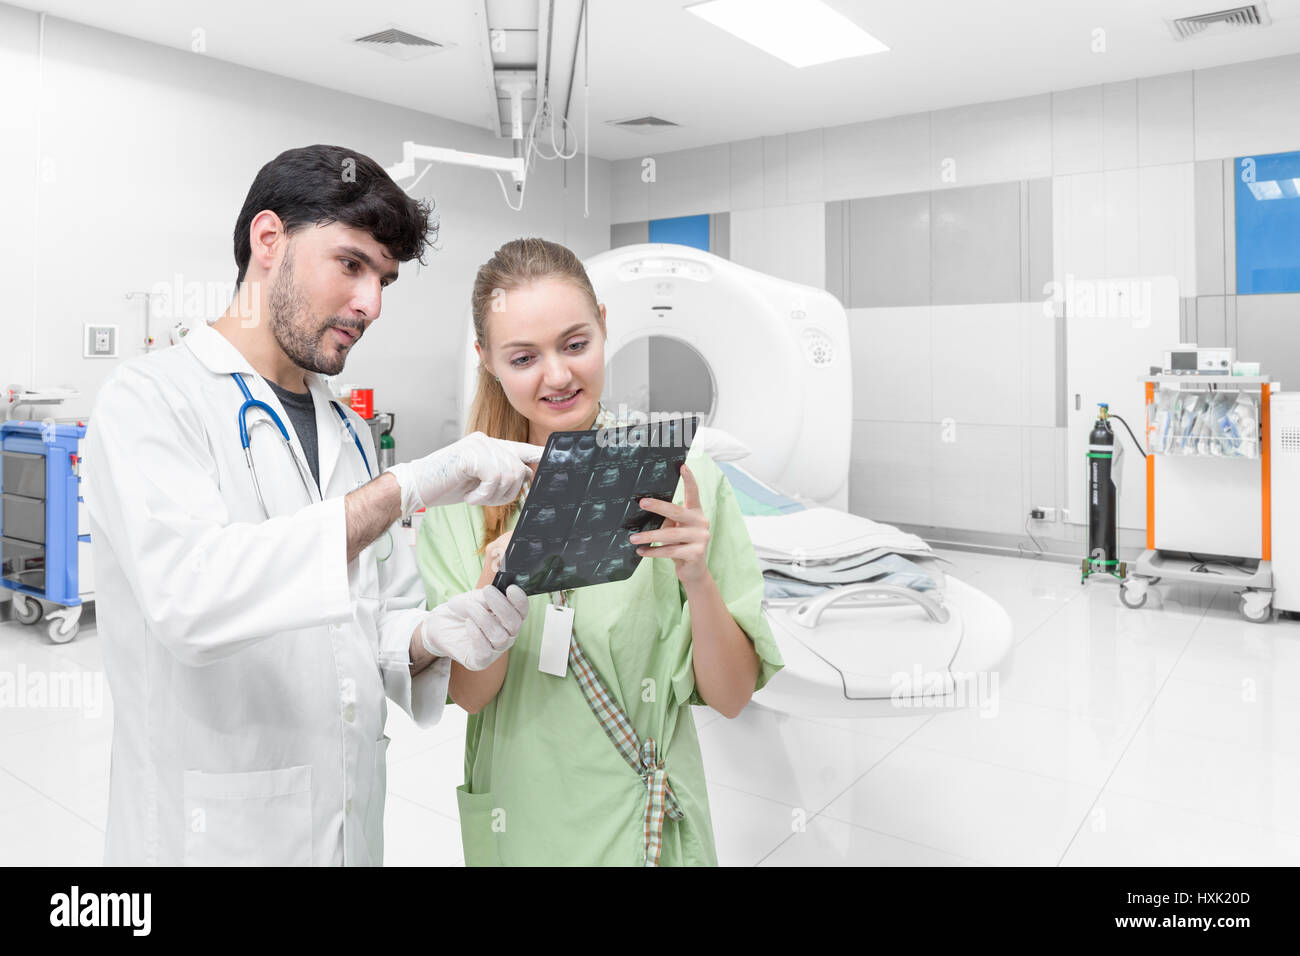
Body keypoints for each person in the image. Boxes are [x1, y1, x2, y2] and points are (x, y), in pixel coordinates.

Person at [84, 145, 537, 866]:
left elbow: (371, 618)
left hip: (348, 825)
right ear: (269, 241)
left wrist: (433, 636)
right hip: (213, 833)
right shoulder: (152, 401)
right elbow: (190, 598)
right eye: (351, 264)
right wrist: (408, 487)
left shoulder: (350, 433)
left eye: (384, 279)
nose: (372, 304)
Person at [417, 237, 783, 866]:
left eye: (575, 344)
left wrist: (697, 578)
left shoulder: (684, 477)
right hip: (525, 815)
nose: (557, 375)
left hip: (644, 812)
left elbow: (731, 697)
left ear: (605, 327)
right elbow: (471, 698)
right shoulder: (459, 499)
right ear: (487, 361)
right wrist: (494, 591)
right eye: (524, 356)